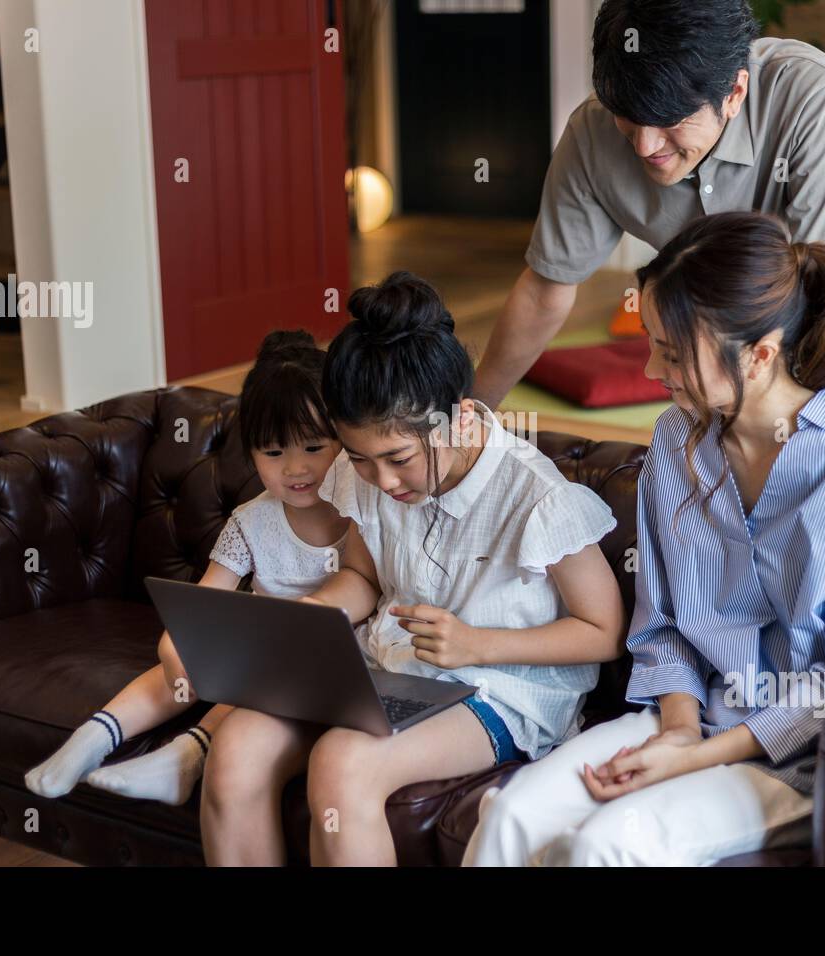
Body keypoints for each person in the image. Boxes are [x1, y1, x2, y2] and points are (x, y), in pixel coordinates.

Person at [464, 211, 825, 866]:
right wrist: (680, 732)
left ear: (760, 353)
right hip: (687, 717)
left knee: (606, 846)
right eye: (653, 342)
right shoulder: (674, 441)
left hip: (794, 758)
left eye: (673, 351)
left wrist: (699, 755)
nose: (653, 369)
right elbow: (661, 624)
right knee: (512, 814)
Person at [199, 271, 625, 866]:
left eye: (398, 459)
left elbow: (602, 632)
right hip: (391, 668)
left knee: (343, 762)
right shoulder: (366, 475)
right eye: (360, 461)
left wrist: (476, 644)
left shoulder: (534, 495)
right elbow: (362, 577)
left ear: (459, 418)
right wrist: (314, 614)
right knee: (237, 746)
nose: (382, 482)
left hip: (499, 692)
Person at [473, 0, 825, 412]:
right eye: (628, 117)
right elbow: (546, 289)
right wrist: (467, 417)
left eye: (670, 122)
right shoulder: (592, 132)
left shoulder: (811, 93)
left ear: (735, 92)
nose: (644, 146)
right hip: (707, 363)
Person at [24, 331, 350, 806]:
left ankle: (185, 755)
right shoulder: (252, 521)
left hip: (332, 662)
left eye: (314, 448)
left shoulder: (363, 514)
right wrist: (176, 649)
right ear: (251, 453)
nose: (295, 469)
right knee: (181, 667)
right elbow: (203, 603)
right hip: (261, 654)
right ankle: (91, 741)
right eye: (274, 453)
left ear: (344, 438)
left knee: (261, 670)